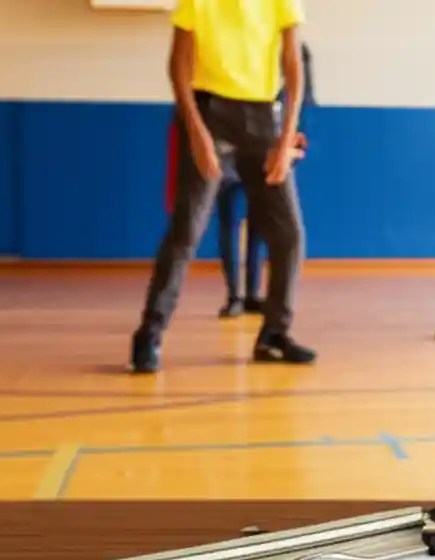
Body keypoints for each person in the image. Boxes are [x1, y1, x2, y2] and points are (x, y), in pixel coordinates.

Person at [131, 0, 314, 372]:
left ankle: (274, 335)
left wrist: (285, 138)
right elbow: (179, 65)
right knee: (187, 230)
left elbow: (293, 65)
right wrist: (196, 132)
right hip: (209, 112)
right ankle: (149, 333)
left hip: (263, 118)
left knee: (289, 234)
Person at [216, 42, 316, 319]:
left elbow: (300, 112)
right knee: (230, 222)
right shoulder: (241, 61)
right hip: (232, 151)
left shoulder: (295, 62)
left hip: (270, 153)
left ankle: (250, 294)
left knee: (261, 223)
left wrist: (293, 146)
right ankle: (234, 294)